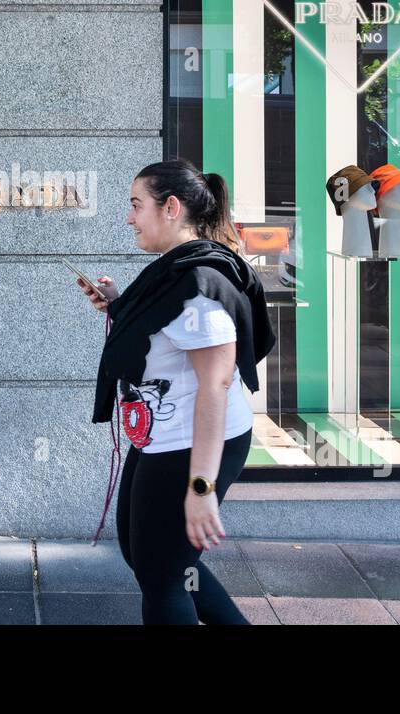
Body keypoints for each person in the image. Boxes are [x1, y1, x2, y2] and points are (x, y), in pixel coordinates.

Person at [79, 158, 276, 625]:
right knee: (150, 558)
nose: (129, 217)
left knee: (162, 576)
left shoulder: (199, 287)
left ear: (170, 207)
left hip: (195, 444)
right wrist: (119, 304)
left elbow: (216, 382)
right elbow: (166, 325)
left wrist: (201, 487)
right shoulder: (176, 270)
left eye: (135, 205)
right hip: (166, 438)